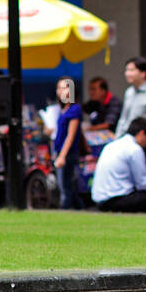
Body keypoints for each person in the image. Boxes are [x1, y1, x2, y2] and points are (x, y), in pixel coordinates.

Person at [91, 116, 146, 212]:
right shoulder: (134, 149)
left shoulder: (111, 145)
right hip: (116, 200)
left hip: (101, 200)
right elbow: (143, 183)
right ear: (141, 133)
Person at [51, 77, 85, 210]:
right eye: (59, 87)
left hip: (68, 153)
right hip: (61, 151)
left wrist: (62, 156)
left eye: (64, 87)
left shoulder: (74, 109)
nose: (60, 91)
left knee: (65, 187)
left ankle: (63, 212)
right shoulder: (63, 109)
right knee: (69, 187)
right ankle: (80, 211)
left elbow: (70, 135)